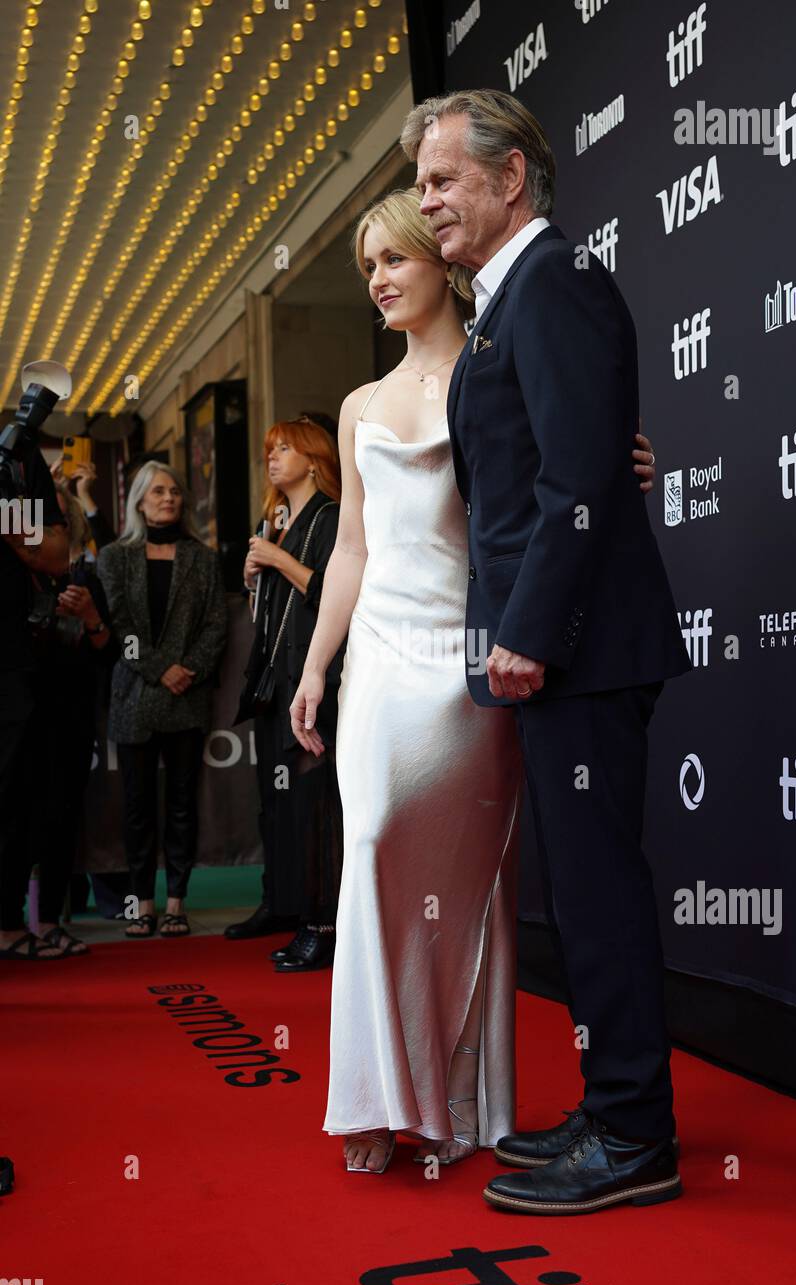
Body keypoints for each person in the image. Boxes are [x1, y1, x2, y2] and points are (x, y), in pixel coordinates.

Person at [290, 187, 658, 1173]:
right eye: (365, 265)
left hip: (471, 657)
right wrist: (317, 663)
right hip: (379, 655)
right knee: (367, 846)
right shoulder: (360, 404)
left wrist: (623, 465)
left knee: (472, 884)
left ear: (436, 262)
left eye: (392, 258)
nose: (376, 278)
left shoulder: (495, 362)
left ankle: (464, 1096)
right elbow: (353, 552)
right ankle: (378, 1098)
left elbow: (562, 473)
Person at [404, 88, 692, 1214]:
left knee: (599, 893)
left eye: (441, 178)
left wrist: (525, 630)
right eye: (421, 183)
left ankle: (633, 1137)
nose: (426, 199)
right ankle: (609, 1103)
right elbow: (561, 463)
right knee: (577, 893)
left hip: (576, 647)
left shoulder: (554, 284)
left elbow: (576, 484)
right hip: (563, 645)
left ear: (509, 177)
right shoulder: (506, 300)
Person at [227, 418, 343, 973]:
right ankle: (282, 903)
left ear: (315, 457)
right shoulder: (272, 521)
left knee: (316, 804)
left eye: (284, 448)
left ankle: (321, 923)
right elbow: (265, 612)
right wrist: (255, 575)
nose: (271, 458)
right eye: (269, 449)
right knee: (276, 804)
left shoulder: (331, 515)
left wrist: (276, 561)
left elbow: (331, 593)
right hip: (274, 681)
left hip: (315, 679)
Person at [98, 462, 227, 938]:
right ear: (138, 501)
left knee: (181, 806)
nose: (168, 498)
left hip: (186, 697)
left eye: (174, 491)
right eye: (157, 491)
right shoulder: (115, 556)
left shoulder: (203, 557)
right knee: (136, 808)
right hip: (136, 694)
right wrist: (158, 669)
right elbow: (119, 623)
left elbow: (217, 625)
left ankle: (176, 903)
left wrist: (186, 670)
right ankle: (141, 905)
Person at [2, 487, 117, 957]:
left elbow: (110, 651)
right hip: (22, 719)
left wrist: (89, 616)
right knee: (16, 821)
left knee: (62, 821)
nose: (52, 537)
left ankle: (48, 920)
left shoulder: (86, 579)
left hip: (72, 717)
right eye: (45, 530)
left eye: (59, 528)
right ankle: (9, 925)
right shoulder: (14, 579)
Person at [0, 448, 69, 961]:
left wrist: (9, 501)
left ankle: (6, 924)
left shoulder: (11, 470)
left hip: (11, 663)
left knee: (15, 797)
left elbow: (51, 554)